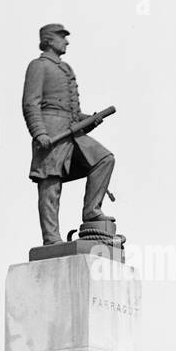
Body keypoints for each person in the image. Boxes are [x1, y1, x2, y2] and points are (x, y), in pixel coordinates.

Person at [21, 23, 115, 246]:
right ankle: (51, 238)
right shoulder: (38, 66)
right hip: (51, 133)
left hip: (71, 132)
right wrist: (39, 132)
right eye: (62, 37)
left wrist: (89, 121)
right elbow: (30, 104)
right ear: (48, 40)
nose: (67, 41)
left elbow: (70, 112)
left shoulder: (66, 69)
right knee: (51, 184)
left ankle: (92, 211)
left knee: (104, 159)